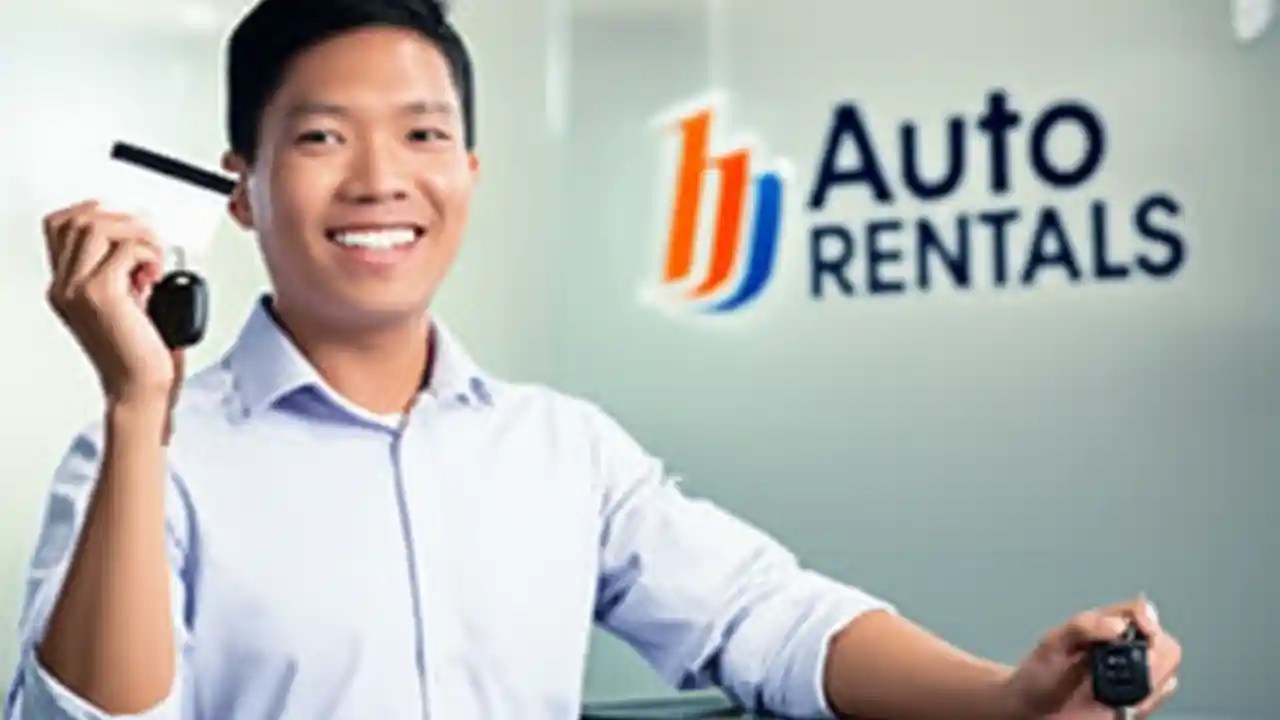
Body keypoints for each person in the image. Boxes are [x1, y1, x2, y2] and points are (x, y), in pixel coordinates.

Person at [6, 0, 1183, 718]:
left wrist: (1000, 699)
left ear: (469, 175)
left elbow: (764, 619)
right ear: (242, 191)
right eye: (319, 138)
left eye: (423, 135)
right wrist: (134, 412)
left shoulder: (559, 449)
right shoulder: (151, 458)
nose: (379, 180)